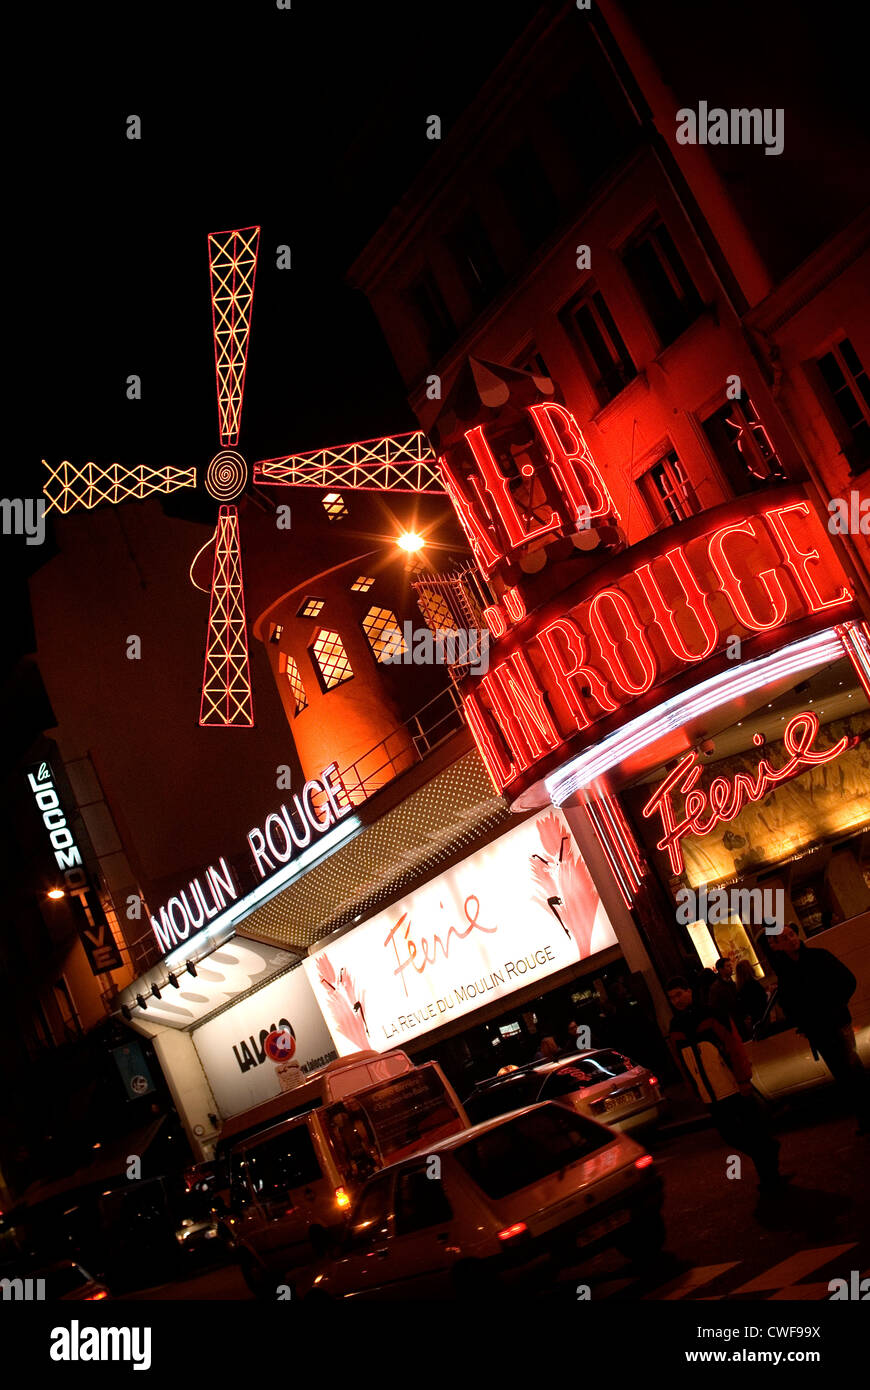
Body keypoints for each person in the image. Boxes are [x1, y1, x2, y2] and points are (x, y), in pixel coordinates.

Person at [666, 976, 788, 1193]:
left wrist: (742, 1079)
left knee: (752, 1132)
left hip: (731, 1085)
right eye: (672, 997)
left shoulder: (712, 1014)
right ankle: (769, 1153)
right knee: (732, 1135)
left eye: (679, 994)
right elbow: (681, 1062)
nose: (676, 1000)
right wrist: (695, 1089)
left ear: (689, 992)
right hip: (710, 1092)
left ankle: (770, 1178)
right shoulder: (675, 1026)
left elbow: (734, 1046)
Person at [765, 922, 870, 1134]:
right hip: (818, 1031)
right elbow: (789, 1002)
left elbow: (848, 981)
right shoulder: (786, 970)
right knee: (842, 1074)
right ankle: (863, 1117)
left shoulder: (819, 957)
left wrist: (834, 1006)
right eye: (785, 938)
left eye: (792, 934)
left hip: (837, 1023)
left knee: (853, 1069)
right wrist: (802, 1023)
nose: (791, 939)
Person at [708, 957, 743, 1031]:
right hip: (729, 1022)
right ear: (721, 969)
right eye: (728, 966)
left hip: (739, 1018)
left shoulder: (731, 982)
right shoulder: (716, 987)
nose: (731, 967)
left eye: (731, 965)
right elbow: (715, 1007)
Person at [735, 960, 768, 1036]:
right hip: (761, 1015)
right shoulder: (753, 984)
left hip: (752, 1017)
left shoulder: (740, 988)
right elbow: (762, 998)